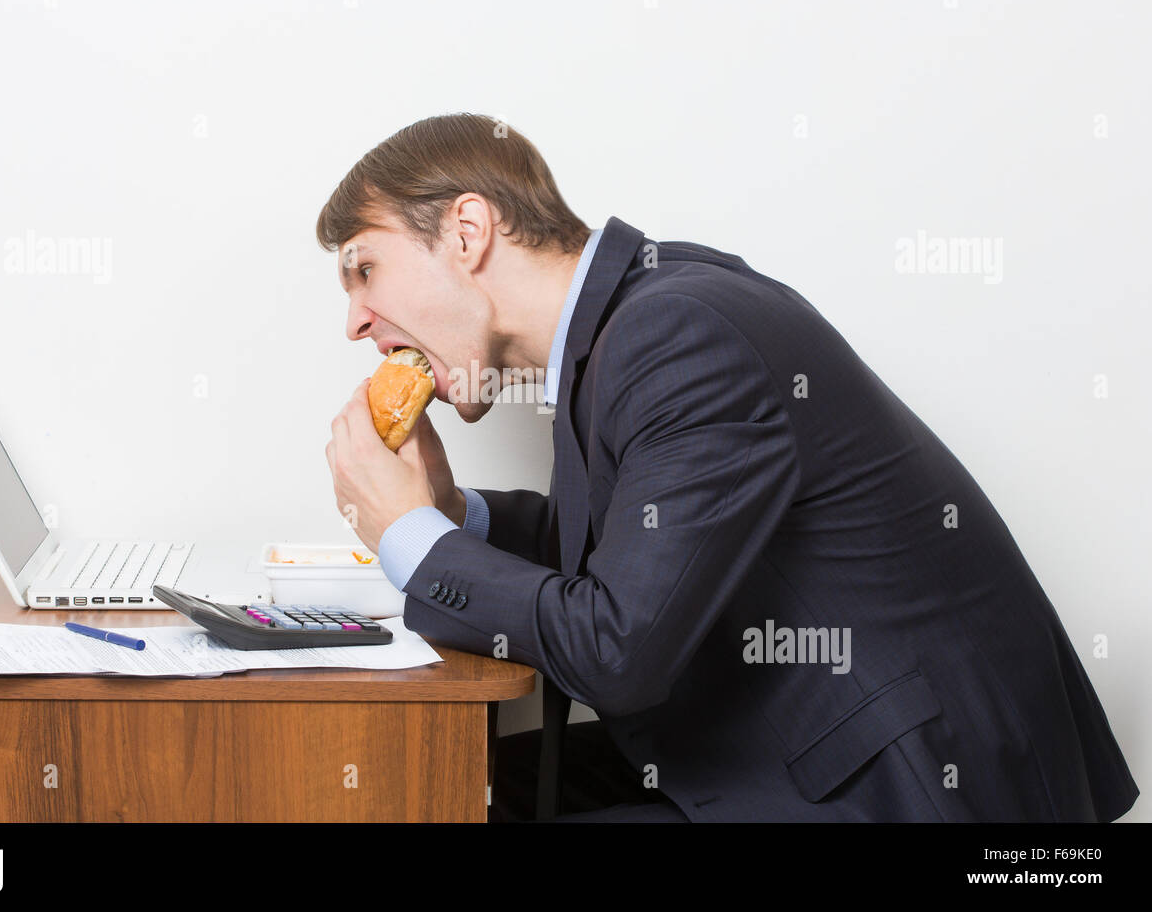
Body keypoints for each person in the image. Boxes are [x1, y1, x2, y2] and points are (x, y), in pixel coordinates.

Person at [320, 113, 1138, 822]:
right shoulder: (627, 320)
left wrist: (412, 538)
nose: (357, 321)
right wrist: (453, 513)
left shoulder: (673, 333)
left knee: (427, 800)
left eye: (366, 269)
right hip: (800, 746)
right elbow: (634, 550)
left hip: (906, 791)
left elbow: (618, 649)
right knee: (428, 790)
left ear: (467, 231)